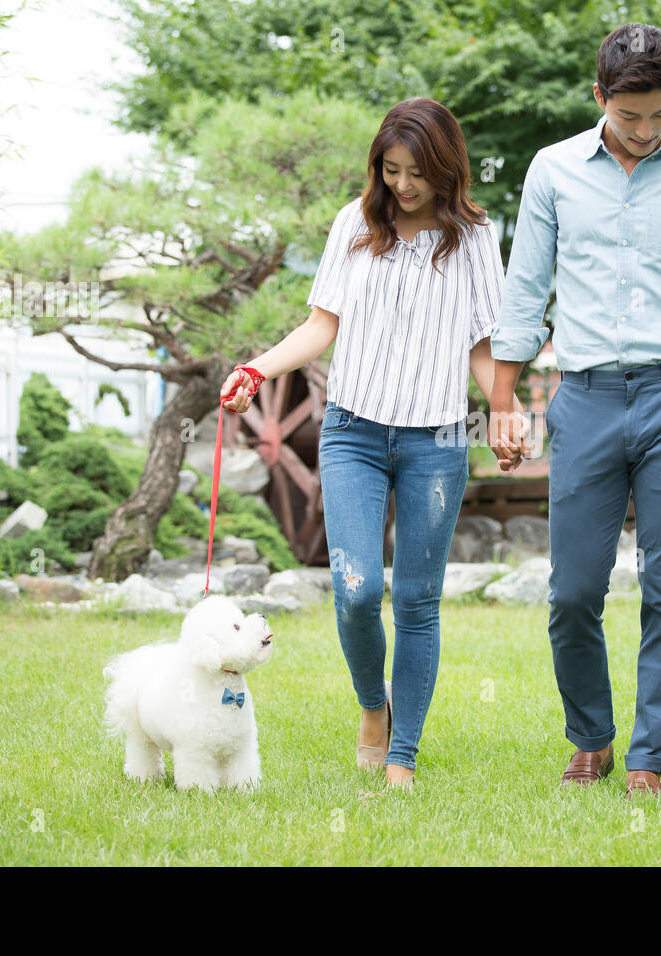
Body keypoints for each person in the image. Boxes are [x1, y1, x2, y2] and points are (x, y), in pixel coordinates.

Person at [488, 23, 661, 798]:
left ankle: (649, 754)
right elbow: (524, 289)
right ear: (599, 97)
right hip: (583, 397)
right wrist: (503, 397)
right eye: (631, 116)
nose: (647, 132)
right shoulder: (552, 172)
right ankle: (591, 736)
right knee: (574, 590)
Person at [221, 98, 519, 789]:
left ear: (447, 169)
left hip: (437, 438)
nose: (405, 186)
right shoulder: (354, 225)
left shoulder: (474, 236)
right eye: (392, 171)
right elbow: (322, 325)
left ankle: (403, 756)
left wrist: (503, 412)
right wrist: (257, 367)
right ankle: (371, 706)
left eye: (418, 172)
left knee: (416, 600)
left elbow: (486, 344)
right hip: (352, 430)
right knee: (355, 591)